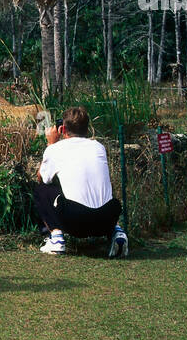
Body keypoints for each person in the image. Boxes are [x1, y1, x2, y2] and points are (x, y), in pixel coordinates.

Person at [34, 106, 129, 257]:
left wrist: (51, 144)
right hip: (107, 218)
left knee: (42, 189)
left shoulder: (56, 149)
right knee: (101, 189)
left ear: (63, 129)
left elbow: (42, 177)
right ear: (87, 128)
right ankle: (117, 232)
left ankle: (56, 237)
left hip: (76, 220)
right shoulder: (99, 147)